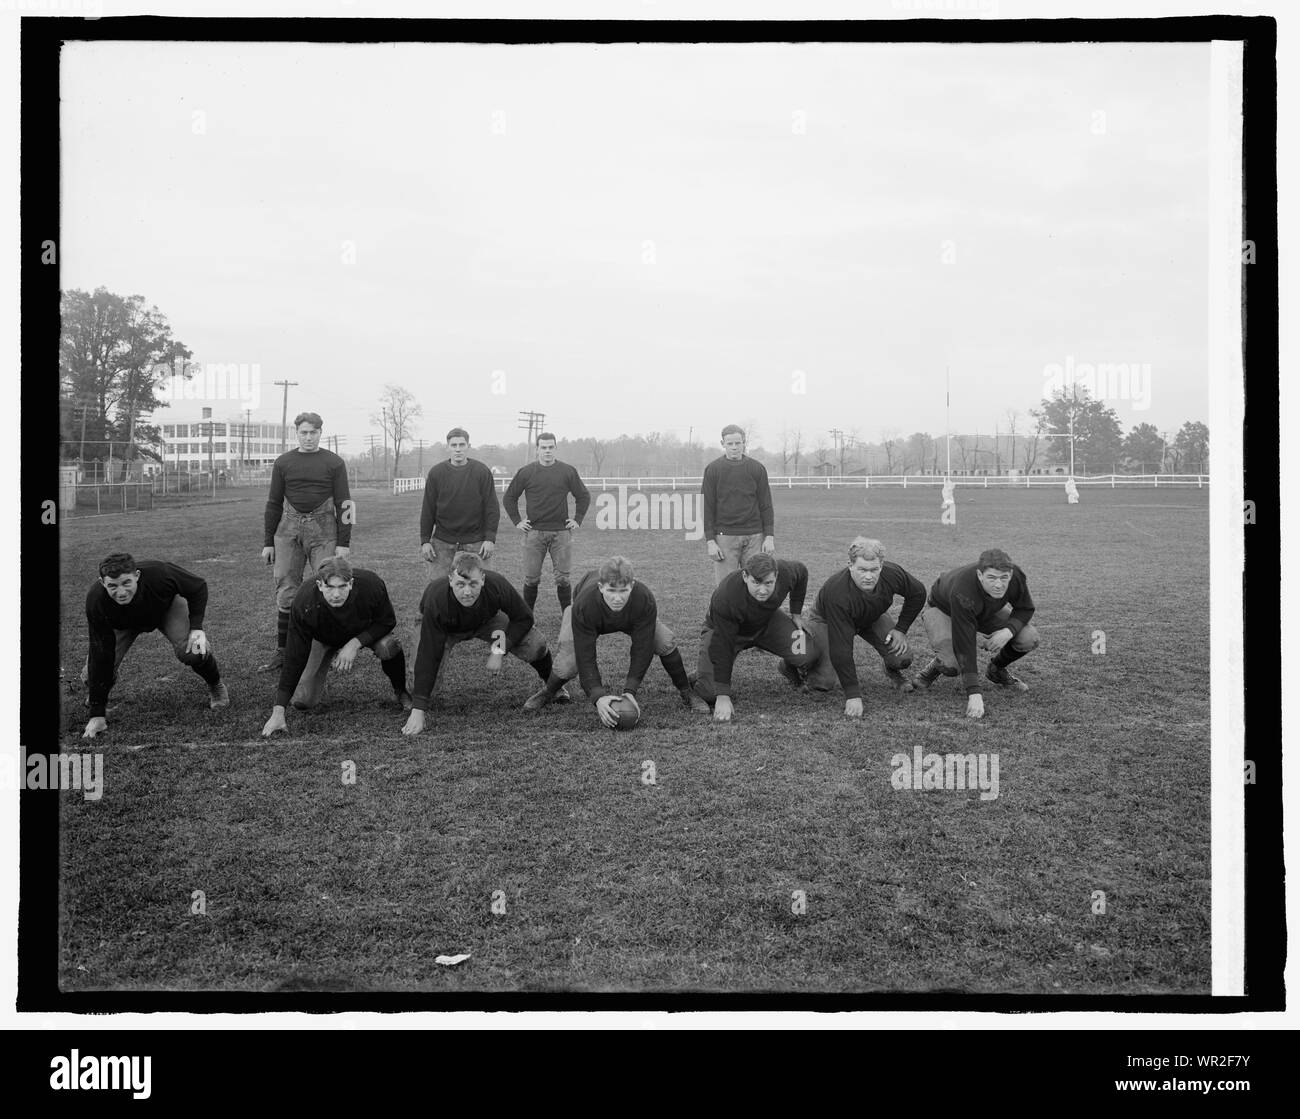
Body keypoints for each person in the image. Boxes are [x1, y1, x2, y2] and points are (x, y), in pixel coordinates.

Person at [523, 555, 711, 723]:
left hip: (631, 617)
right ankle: (549, 691)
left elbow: (642, 648)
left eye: (624, 591)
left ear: (632, 585)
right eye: (612, 590)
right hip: (589, 615)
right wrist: (598, 696)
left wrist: (630, 691)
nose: (617, 598)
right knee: (568, 662)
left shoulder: (643, 598)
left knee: (664, 640)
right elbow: (585, 655)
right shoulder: (584, 604)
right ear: (601, 587)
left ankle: (686, 691)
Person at [401, 551, 556, 736]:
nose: (467, 591)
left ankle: (554, 686)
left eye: (473, 584)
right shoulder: (436, 600)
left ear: (483, 579)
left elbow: (524, 617)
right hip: (444, 628)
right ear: (450, 580)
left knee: (534, 644)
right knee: (419, 688)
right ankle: (415, 697)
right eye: (460, 584)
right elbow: (429, 653)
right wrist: (418, 710)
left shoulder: (496, 584)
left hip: (486, 621)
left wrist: (499, 648)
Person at [81, 553, 228, 739]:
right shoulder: (96, 601)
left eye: (126, 583)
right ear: (102, 584)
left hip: (165, 609)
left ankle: (215, 685)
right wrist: (97, 714)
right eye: (112, 586)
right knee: (91, 673)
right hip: (124, 624)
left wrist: (197, 629)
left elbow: (198, 586)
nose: (121, 592)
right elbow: (100, 652)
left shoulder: (160, 573)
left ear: (137, 575)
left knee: (193, 649)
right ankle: (98, 697)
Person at [260, 557, 411, 736]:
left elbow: (387, 621)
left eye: (342, 586)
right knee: (302, 701)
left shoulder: (371, 585)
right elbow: (294, 655)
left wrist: (354, 644)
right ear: (320, 585)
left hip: (361, 633)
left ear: (351, 583)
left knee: (388, 646)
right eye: (330, 587)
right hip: (322, 639)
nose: (336, 594)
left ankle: (400, 691)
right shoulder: (304, 601)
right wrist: (278, 711)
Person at [258, 411, 353, 673]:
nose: (308, 437)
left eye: (313, 432)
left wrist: (344, 542)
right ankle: (283, 652)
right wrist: (268, 542)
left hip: (324, 528)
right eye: (303, 432)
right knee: (286, 588)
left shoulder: (334, 462)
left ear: (321, 433)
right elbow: (273, 503)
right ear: (296, 433)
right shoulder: (283, 462)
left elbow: (345, 503)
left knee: (329, 585)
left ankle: (331, 647)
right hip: (287, 529)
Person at [693, 552, 829, 722]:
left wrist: (796, 613)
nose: (763, 590)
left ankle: (787, 667)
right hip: (728, 633)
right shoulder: (726, 597)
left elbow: (801, 572)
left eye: (768, 583)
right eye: (756, 583)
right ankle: (702, 673)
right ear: (745, 576)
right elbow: (722, 646)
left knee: (807, 653)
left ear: (777, 576)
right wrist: (723, 696)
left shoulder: (786, 571)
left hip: (767, 623)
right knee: (709, 692)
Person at [801, 537, 927, 717]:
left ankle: (891, 669)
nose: (868, 576)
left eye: (874, 570)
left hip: (870, 616)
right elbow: (842, 648)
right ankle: (797, 665)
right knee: (824, 681)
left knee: (902, 657)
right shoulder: (836, 592)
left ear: (881, 565)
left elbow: (918, 593)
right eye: (862, 570)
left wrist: (900, 629)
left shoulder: (892, 574)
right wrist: (853, 695)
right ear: (850, 565)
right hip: (827, 620)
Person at [915, 548, 1040, 719]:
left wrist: (1007, 631)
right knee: (953, 663)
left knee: (1028, 637)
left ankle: (996, 669)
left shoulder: (1016, 575)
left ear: (1010, 574)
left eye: (1004, 578)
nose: (998, 584)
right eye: (992, 578)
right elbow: (965, 644)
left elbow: (1025, 608)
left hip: (982, 609)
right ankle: (936, 666)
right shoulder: (963, 590)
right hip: (944, 608)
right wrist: (974, 694)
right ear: (980, 575)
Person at [503, 432, 591, 612]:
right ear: (537, 450)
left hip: (561, 533)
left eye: (551, 447)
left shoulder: (567, 471)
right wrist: (517, 521)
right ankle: (527, 618)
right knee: (531, 579)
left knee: (563, 578)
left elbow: (583, 496)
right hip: (534, 534)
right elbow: (509, 497)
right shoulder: (526, 472)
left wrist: (577, 519)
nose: (547, 451)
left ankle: (567, 617)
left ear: (556, 449)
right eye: (543, 448)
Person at [419, 427, 501, 582]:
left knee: (481, 586)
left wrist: (490, 539)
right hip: (442, 542)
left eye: (462, 445)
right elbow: (428, 509)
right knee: (439, 588)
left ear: (468, 447)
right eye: (454, 445)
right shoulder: (437, 473)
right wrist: (425, 541)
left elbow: (491, 508)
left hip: (476, 542)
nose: (458, 449)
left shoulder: (481, 471)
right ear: (448, 447)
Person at [702, 424, 775, 584]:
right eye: (730, 444)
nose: (734, 447)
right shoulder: (713, 470)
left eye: (738, 443)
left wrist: (769, 536)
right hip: (725, 538)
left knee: (756, 584)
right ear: (723, 444)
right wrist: (710, 541)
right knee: (725, 588)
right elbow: (707, 508)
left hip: (755, 537)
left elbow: (766, 505)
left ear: (744, 443)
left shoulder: (757, 469)